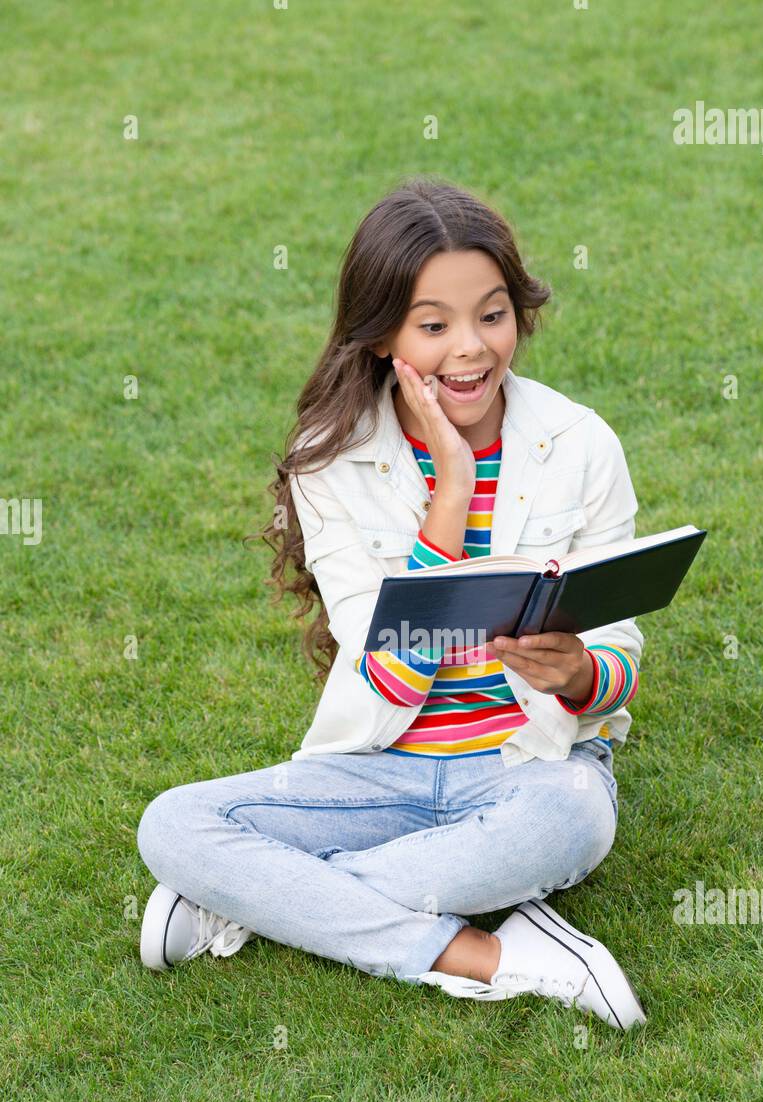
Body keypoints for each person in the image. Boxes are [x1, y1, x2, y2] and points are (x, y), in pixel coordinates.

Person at [136, 177, 646, 1029]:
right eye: (432, 325)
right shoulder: (329, 459)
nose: (471, 350)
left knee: (573, 821)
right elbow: (389, 677)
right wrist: (451, 489)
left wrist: (579, 670)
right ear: (380, 336)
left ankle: (254, 902)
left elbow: (620, 662)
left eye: (491, 314)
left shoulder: (580, 444)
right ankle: (492, 953)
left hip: (528, 770)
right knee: (173, 826)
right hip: (376, 768)